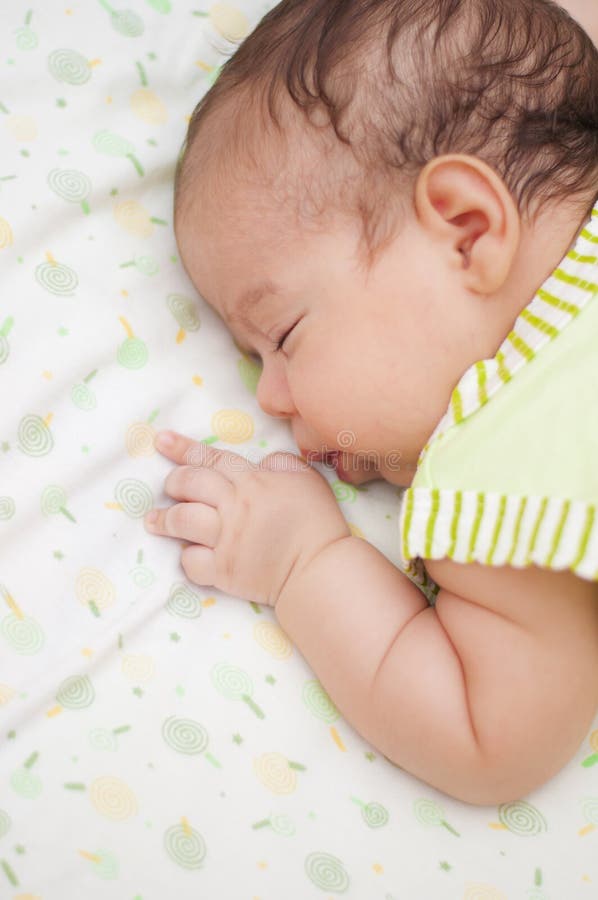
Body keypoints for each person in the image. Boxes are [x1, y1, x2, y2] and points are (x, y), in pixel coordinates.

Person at [144, 0, 598, 805]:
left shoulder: (508, 450)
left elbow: (490, 742)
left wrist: (304, 560)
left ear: (466, 233)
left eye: (284, 336)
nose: (271, 397)